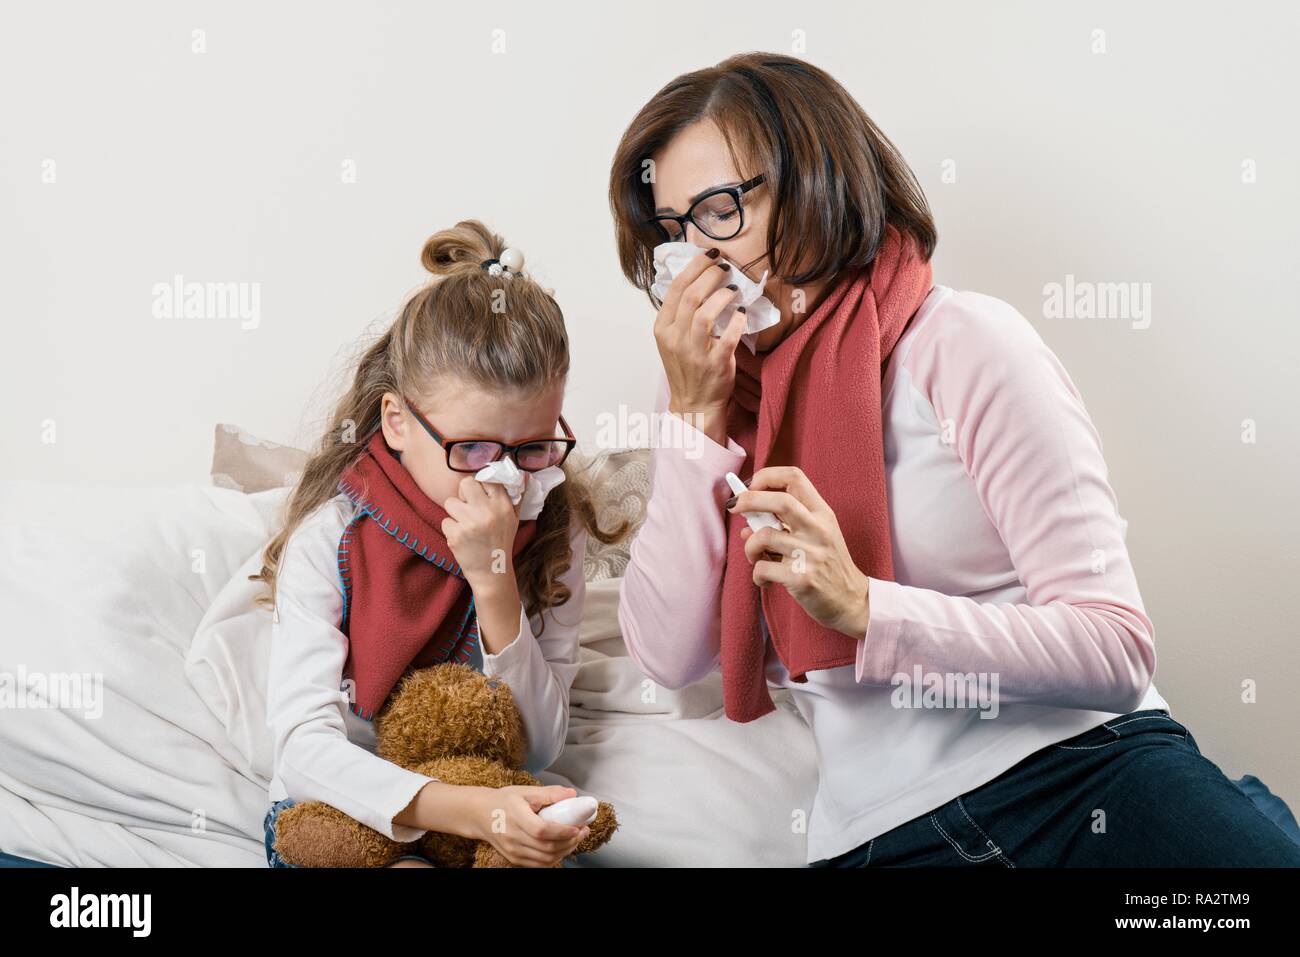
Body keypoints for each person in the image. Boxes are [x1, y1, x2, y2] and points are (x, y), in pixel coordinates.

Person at [608, 52, 1300, 866]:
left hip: (1085, 775)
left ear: (818, 183)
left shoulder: (965, 343)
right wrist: (692, 417)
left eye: (722, 209)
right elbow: (669, 653)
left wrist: (870, 608)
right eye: (672, 231)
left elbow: (1115, 645)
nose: (699, 260)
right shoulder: (713, 396)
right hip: (881, 837)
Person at [251, 220, 626, 867]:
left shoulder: (550, 533)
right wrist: (473, 808)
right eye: (472, 449)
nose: (504, 476)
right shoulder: (334, 538)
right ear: (397, 420)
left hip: (487, 803)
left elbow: (538, 746)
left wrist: (497, 585)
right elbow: (303, 748)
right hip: (347, 809)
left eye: (533, 448)